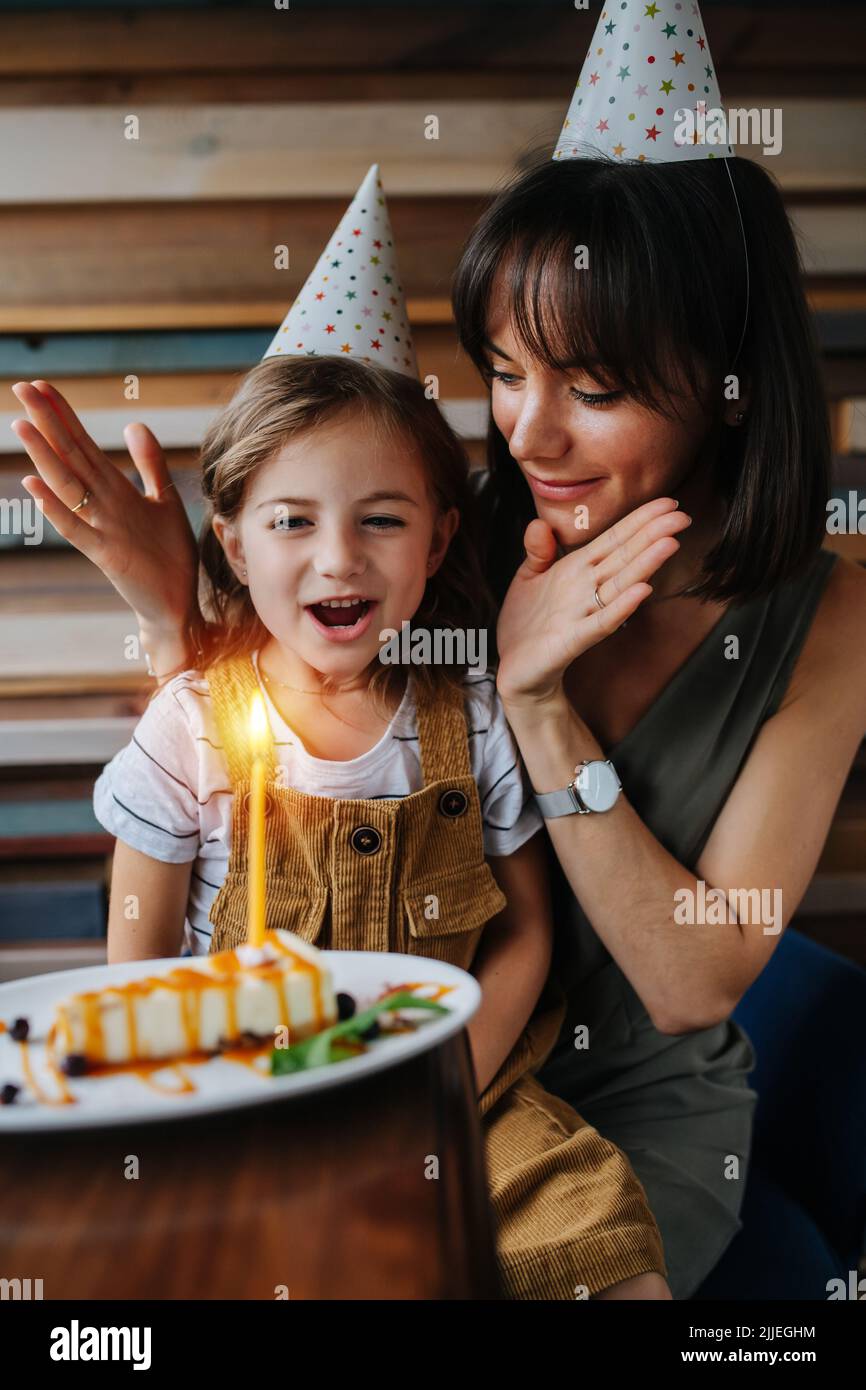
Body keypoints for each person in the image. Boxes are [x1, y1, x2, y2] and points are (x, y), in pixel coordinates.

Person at [16, 348, 678, 1300]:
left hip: (461, 1100)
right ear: (236, 544)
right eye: (294, 521)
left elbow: (525, 934)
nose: (340, 557)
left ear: (438, 542)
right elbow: (141, 964)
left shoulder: (476, 716)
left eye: (382, 519)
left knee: (599, 1238)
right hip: (244, 1102)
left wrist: (437, 1092)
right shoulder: (190, 726)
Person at [447, 146, 866, 1297]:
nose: (528, 436)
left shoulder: (829, 617)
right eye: (501, 370)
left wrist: (536, 704)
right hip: (435, 1085)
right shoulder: (447, 535)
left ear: (729, 387)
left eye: (590, 389)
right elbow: (264, 744)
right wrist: (173, 604)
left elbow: (693, 979)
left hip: (642, 1119)